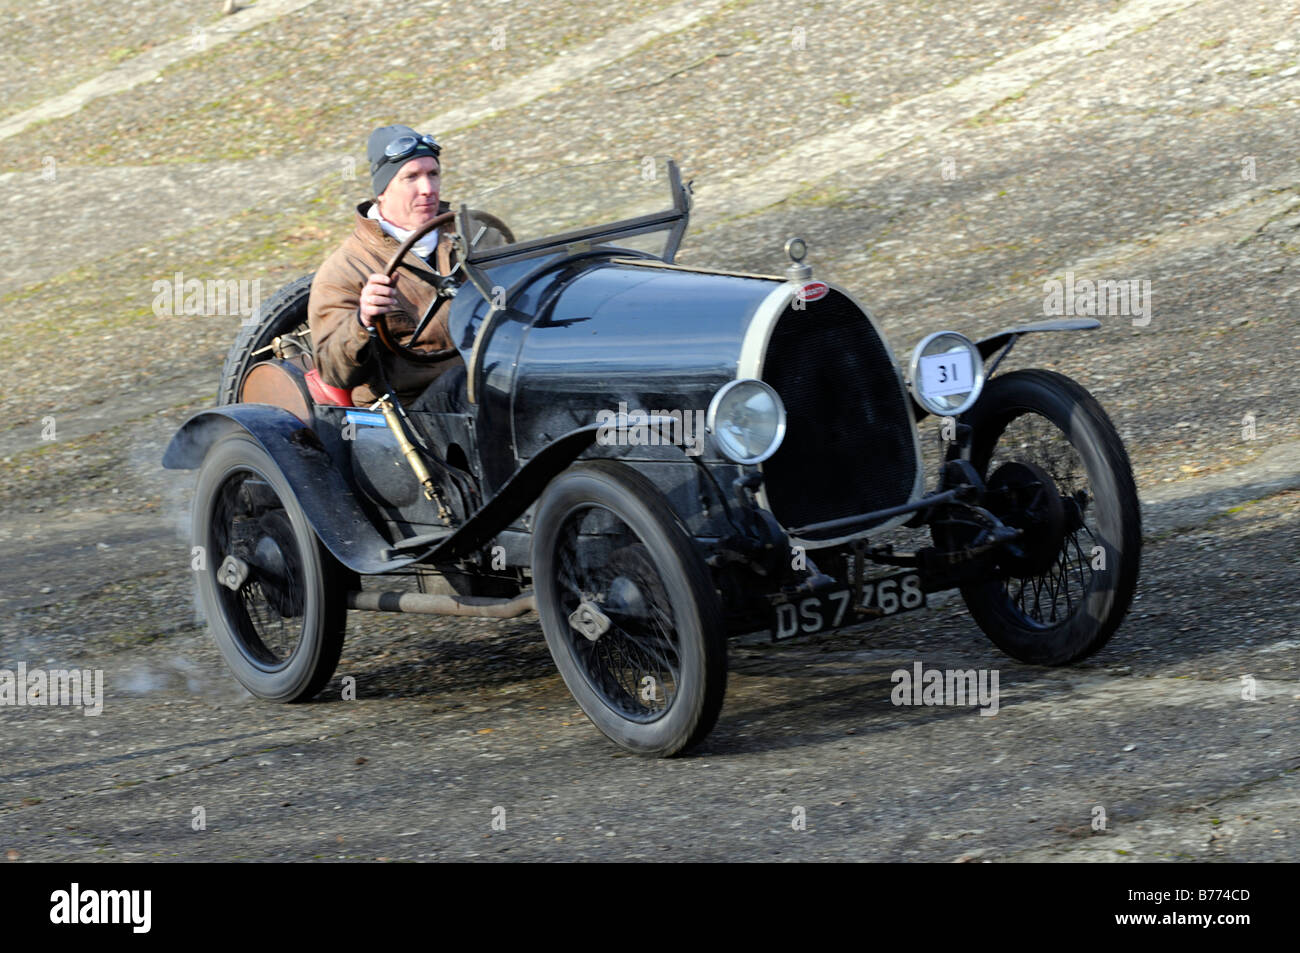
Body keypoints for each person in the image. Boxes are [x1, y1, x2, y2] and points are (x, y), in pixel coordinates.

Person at [307, 124, 468, 411]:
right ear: (382, 191)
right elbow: (333, 371)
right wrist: (363, 320)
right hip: (411, 407)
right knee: (466, 384)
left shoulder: (470, 237)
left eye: (433, 174)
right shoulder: (344, 269)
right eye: (411, 177)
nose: (428, 189)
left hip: (486, 374)